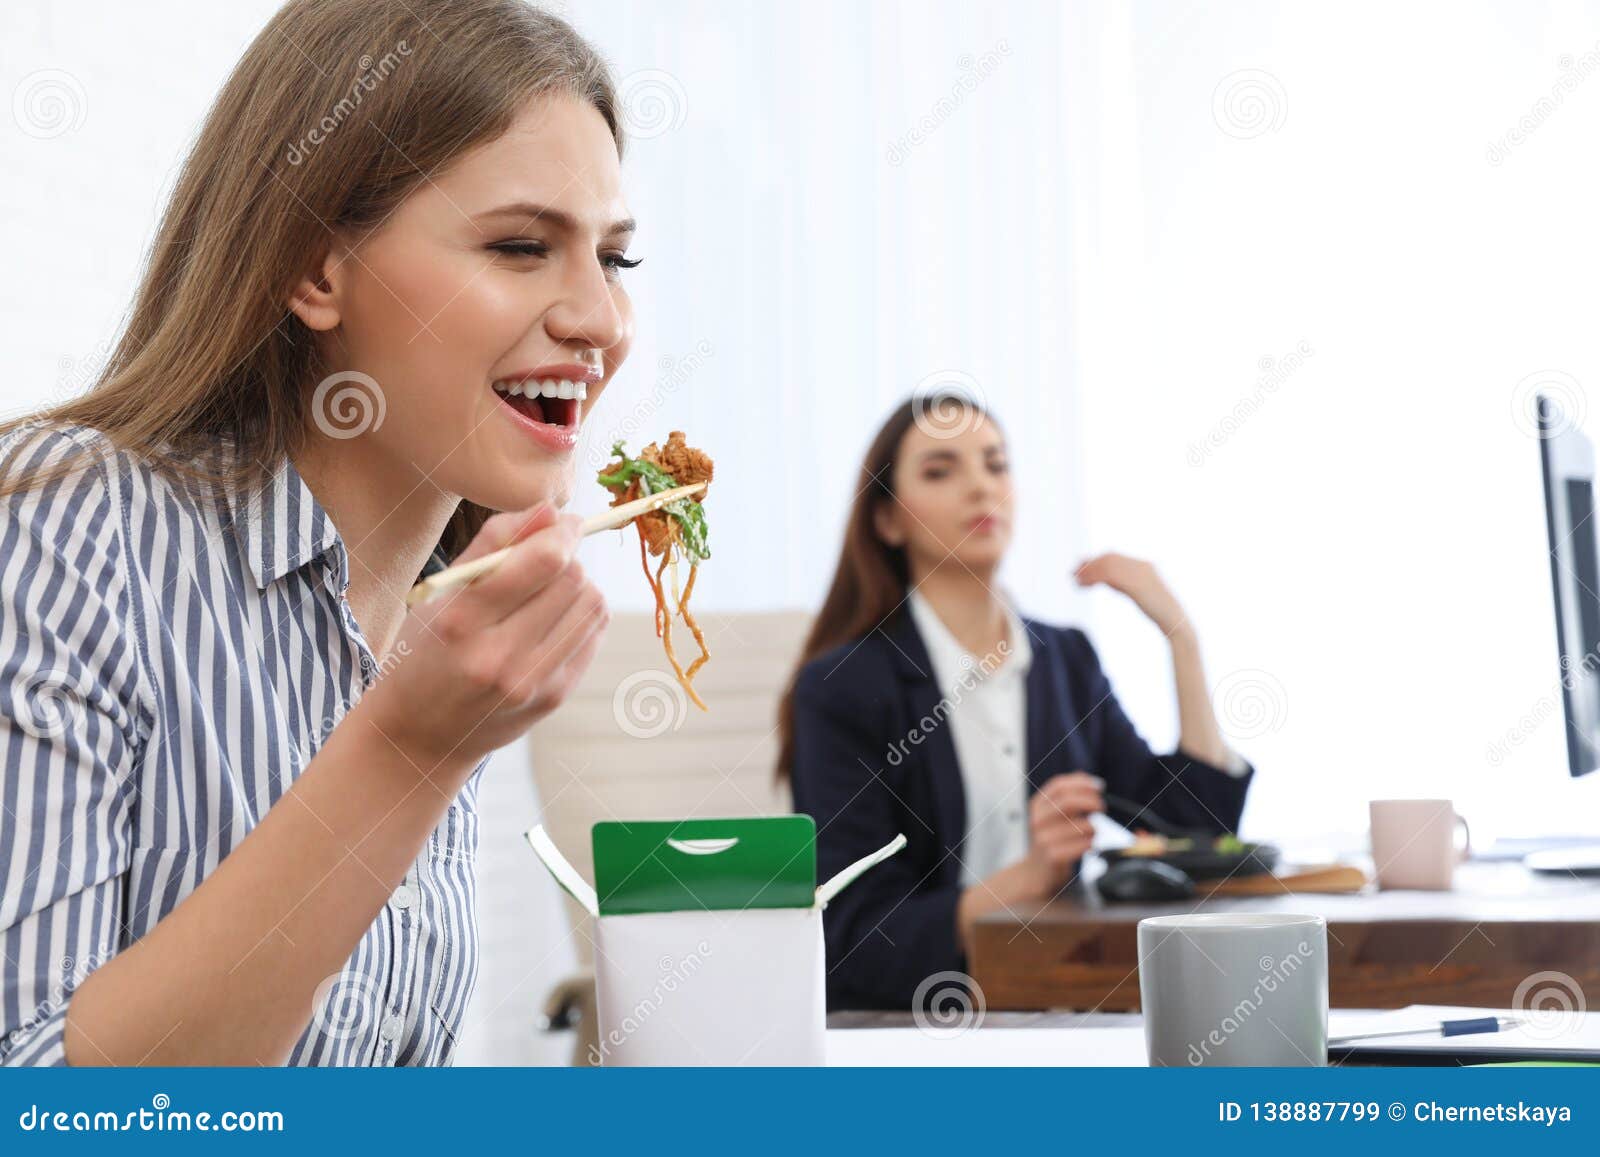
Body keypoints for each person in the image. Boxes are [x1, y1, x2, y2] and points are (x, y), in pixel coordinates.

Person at [0, 0, 638, 1065]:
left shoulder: (444, 617)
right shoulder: (67, 528)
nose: (600, 321)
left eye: (615, 260)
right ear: (315, 270)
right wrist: (405, 751)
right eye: (521, 246)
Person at [779, 395, 1253, 1010]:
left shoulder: (1065, 660)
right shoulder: (842, 687)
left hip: (1066, 1004)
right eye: (940, 471)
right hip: (915, 1023)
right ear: (888, 520)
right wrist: (1025, 880)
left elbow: (1199, 834)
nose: (981, 487)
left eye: (996, 464)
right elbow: (850, 940)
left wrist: (1182, 640)